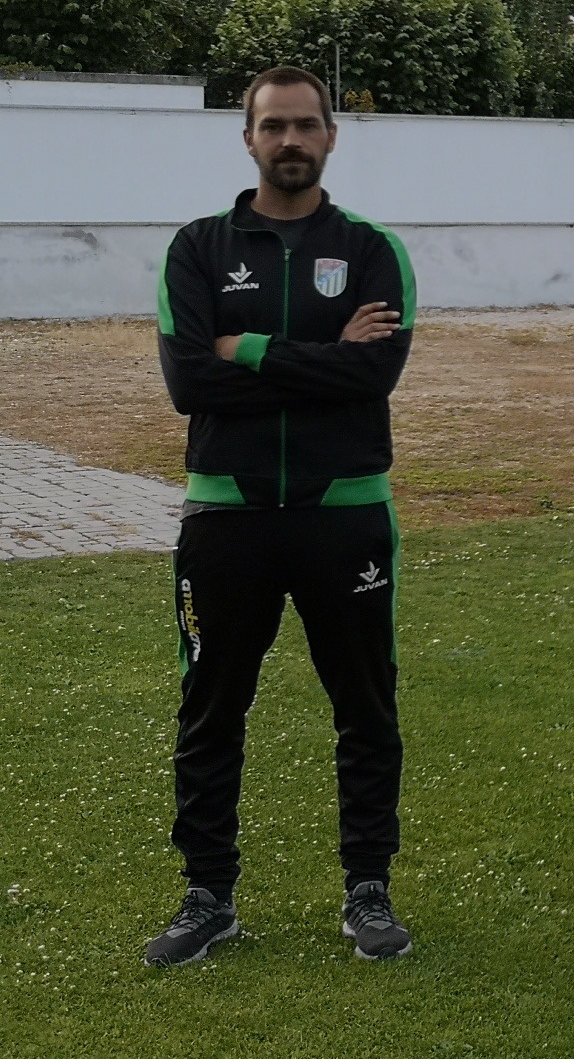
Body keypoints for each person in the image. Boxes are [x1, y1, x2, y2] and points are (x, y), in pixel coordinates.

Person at [148, 66, 417, 965]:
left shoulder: (374, 250)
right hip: (226, 517)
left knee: (366, 707)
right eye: (275, 126)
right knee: (212, 708)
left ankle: (367, 889)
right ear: (249, 138)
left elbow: (372, 376)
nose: (292, 140)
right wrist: (318, 358)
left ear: (332, 136)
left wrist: (248, 348)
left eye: (307, 125)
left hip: (345, 516)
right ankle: (208, 895)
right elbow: (190, 382)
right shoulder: (197, 248)